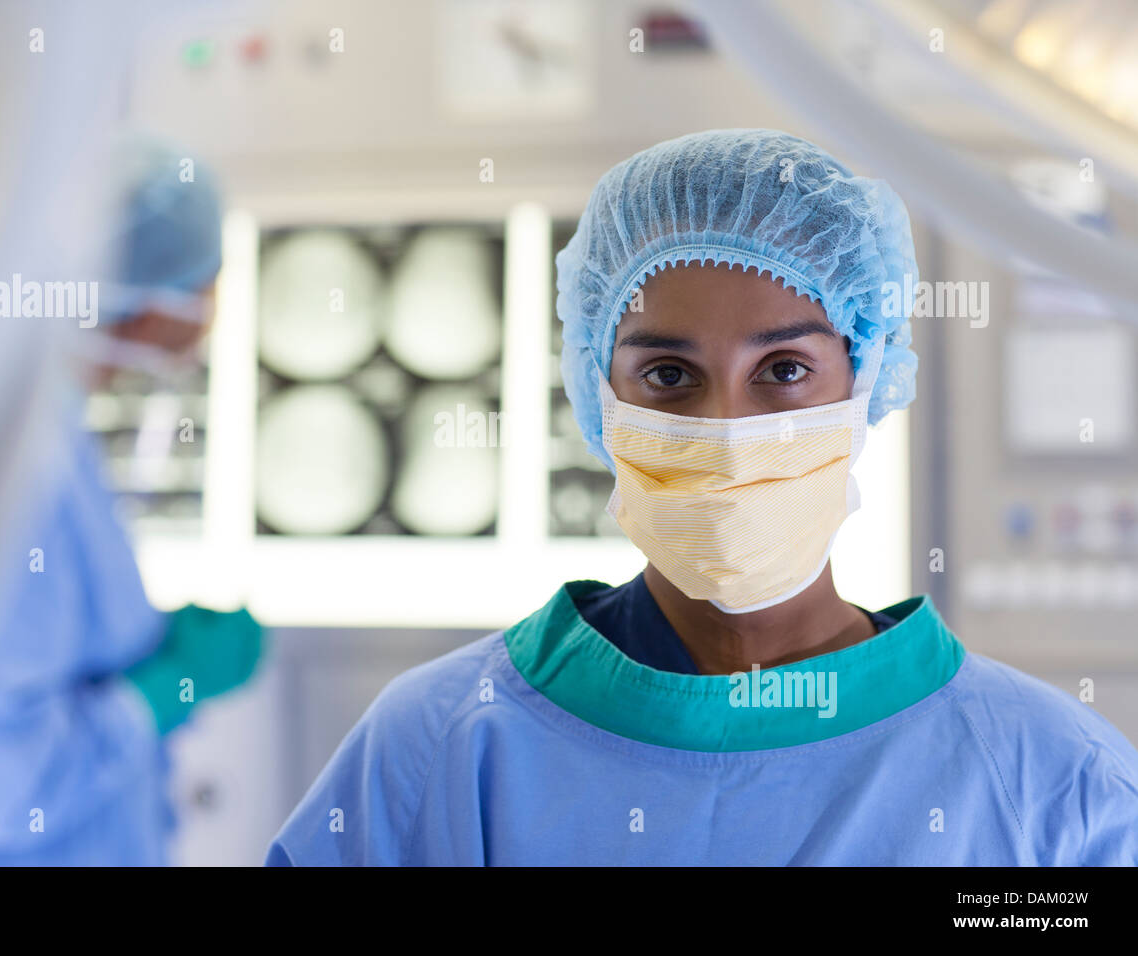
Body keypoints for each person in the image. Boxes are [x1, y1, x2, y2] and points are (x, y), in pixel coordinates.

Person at [266, 129, 1138, 866]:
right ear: (597, 394)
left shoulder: (1054, 790)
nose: (726, 430)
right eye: (669, 375)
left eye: (785, 370)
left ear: (865, 377)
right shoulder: (442, 754)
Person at [0, 135, 262, 865]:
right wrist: (156, 693)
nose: (211, 302)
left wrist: (145, 653)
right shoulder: (21, 472)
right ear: (136, 301)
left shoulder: (19, 427)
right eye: (202, 279)